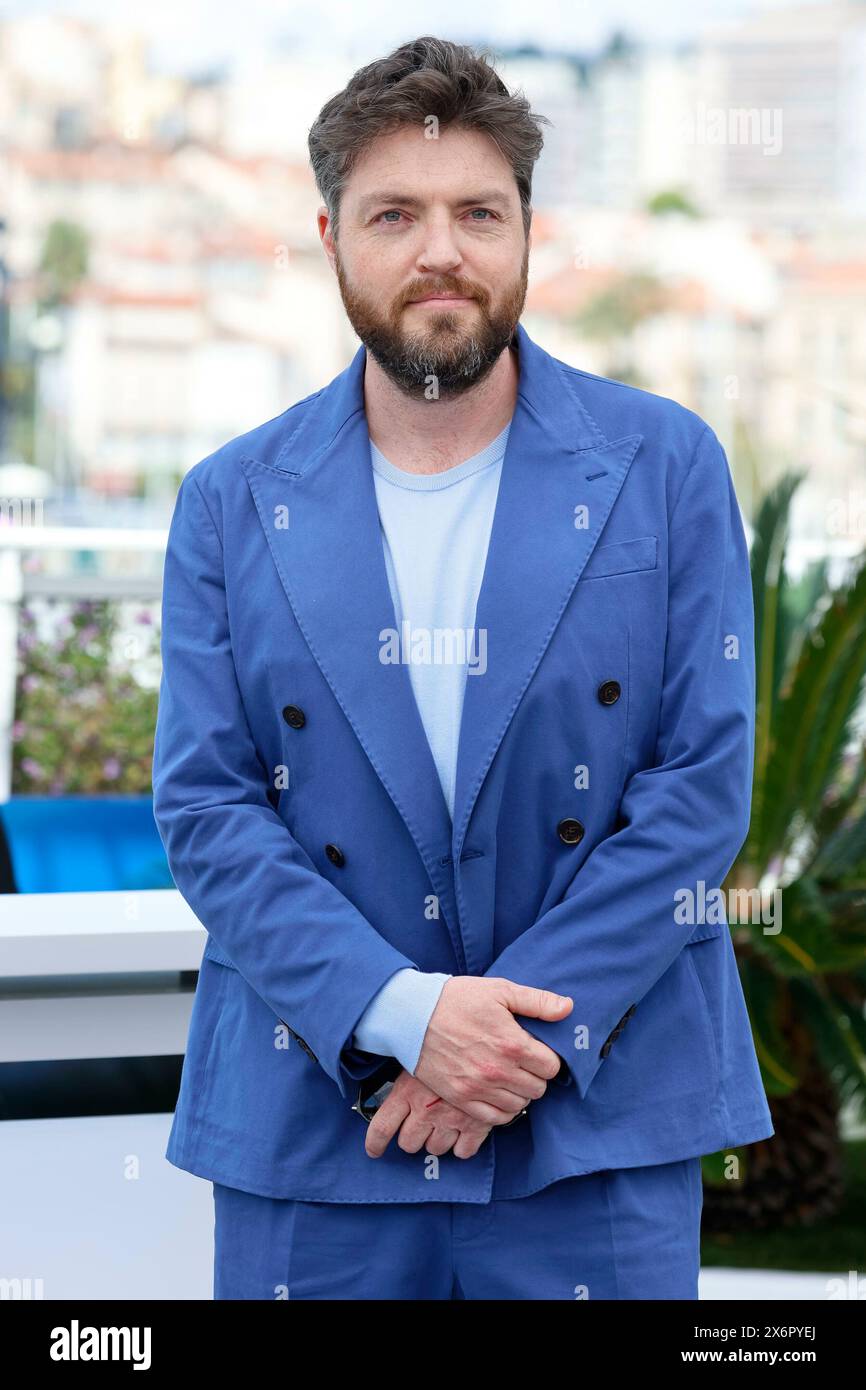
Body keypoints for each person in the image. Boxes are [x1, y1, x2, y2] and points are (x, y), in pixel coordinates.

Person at [152, 35, 774, 1301]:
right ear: (330, 239)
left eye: (476, 212)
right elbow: (208, 810)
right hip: (318, 1122)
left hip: (593, 1120)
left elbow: (699, 785)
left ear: (526, 234)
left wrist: (502, 1042)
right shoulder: (226, 499)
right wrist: (402, 1016)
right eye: (395, 213)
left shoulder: (665, 465)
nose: (440, 249)